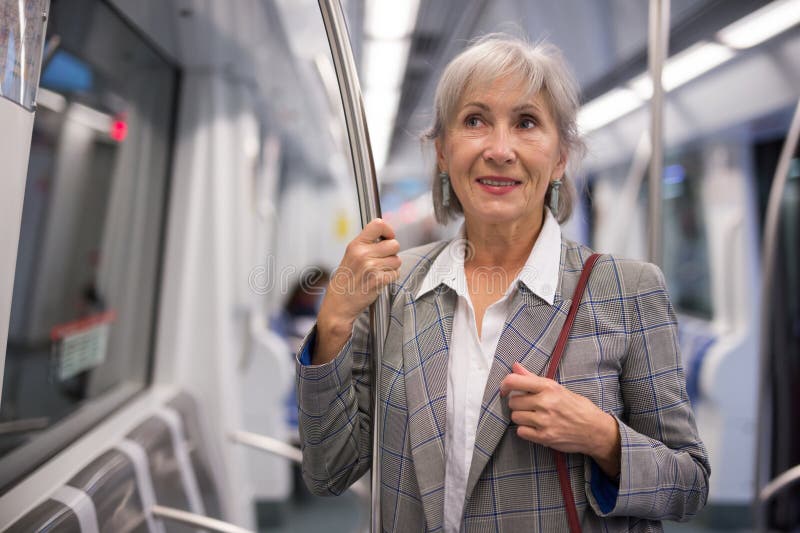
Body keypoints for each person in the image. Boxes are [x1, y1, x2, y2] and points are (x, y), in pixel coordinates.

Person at [296, 34, 710, 532]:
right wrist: (334, 324)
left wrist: (603, 438)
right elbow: (329, 472)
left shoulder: (628, 289)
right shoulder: (392, 287)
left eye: (526, 123)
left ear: (560, 157)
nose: (499, 150)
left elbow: (689, 485)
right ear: (443, 151)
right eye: (475, 121)